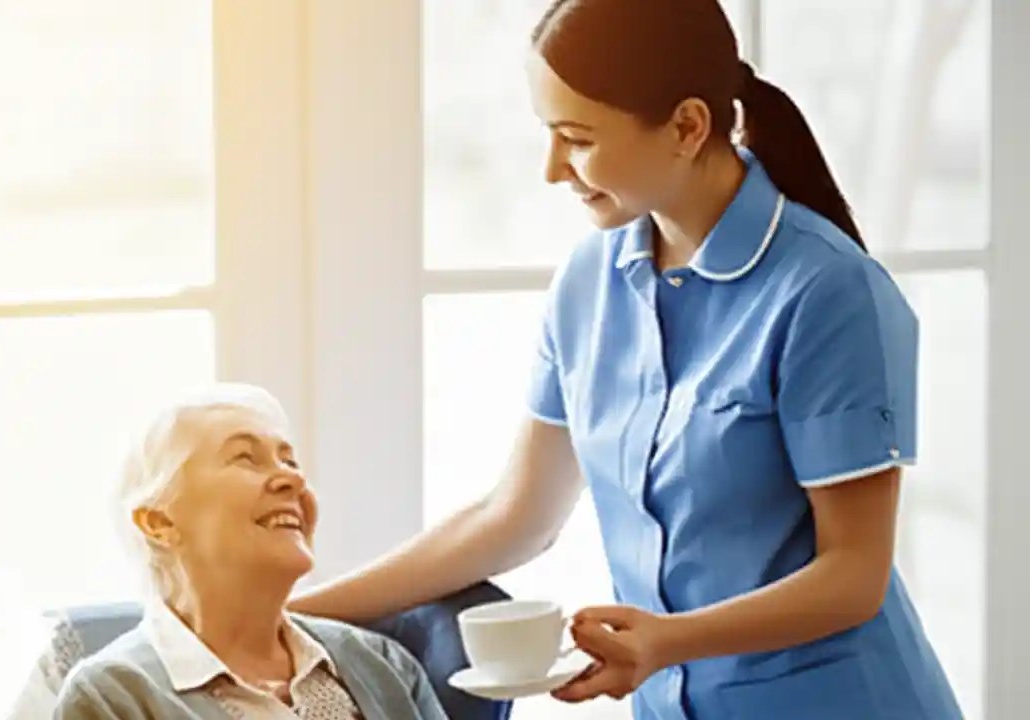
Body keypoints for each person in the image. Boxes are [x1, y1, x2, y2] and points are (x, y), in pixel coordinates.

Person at [289, 1, 964, 718]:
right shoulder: (589, 283)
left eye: (576, 138)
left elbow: (853, 576)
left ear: (686, 126)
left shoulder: (829, 293)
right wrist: (295, 616)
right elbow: (514, 516)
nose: (553, 169)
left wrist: (670, 641)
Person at [55, 384, 447, 720]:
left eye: (289, 460)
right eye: (246, 458)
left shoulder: (383, 663)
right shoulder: (111, 697)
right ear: (160, 523)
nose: (294, 478)